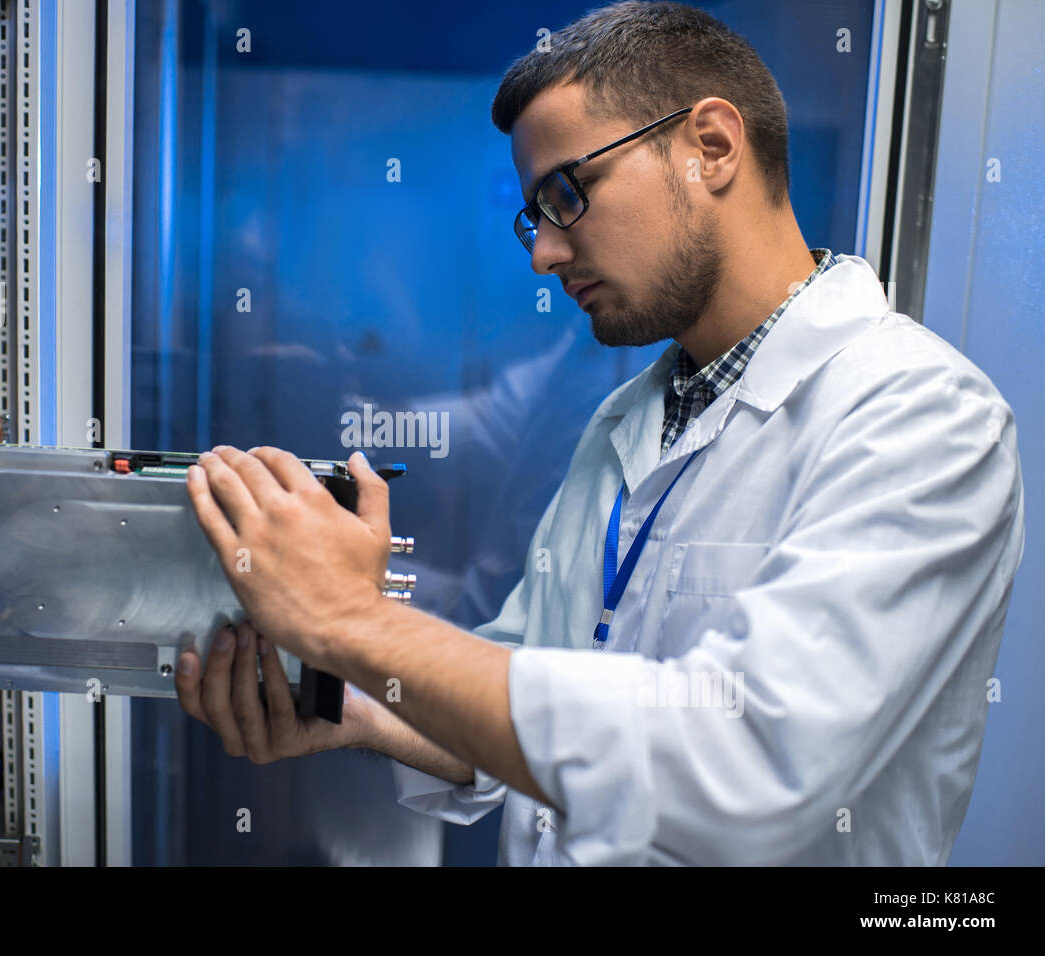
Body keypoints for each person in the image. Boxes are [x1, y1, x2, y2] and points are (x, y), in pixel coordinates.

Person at [175, 1, 1025, 865]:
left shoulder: (923, 418)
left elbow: (750, 765)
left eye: (566, 195)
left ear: (712, 148)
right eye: (533, 215)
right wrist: (355, 706)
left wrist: (350, 623)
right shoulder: (628, 422)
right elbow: (532, 695)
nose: (542, 252)